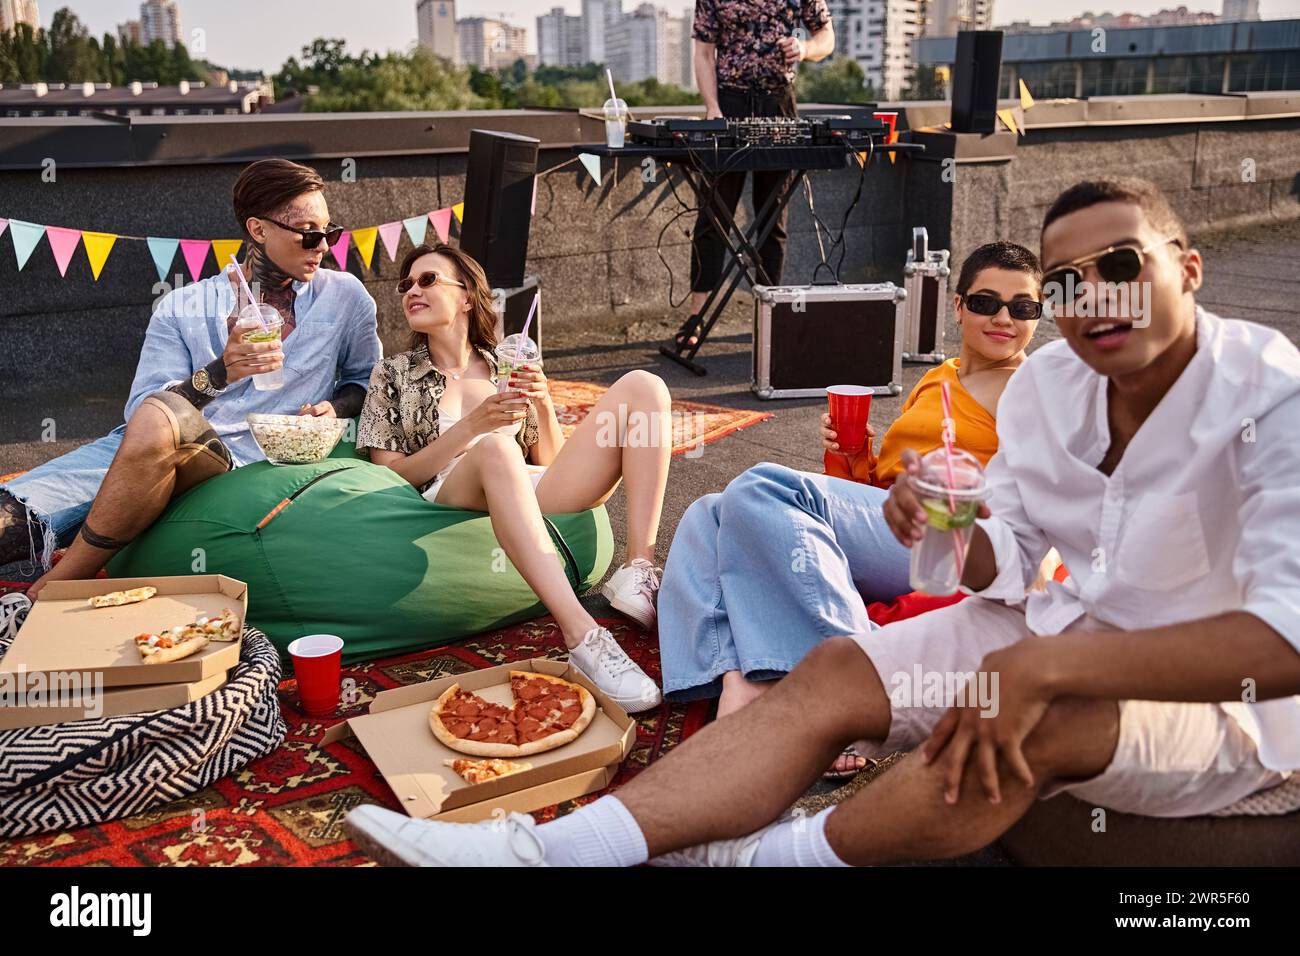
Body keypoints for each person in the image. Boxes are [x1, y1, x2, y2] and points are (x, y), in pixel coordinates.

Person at [342, 177, 1300, 867]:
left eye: (1120, 267)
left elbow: (1285, 639)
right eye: (1064, 284)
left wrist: (1052, 662)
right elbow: (1006, 560)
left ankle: (765, 857)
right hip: (1056, 626)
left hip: (1225, 706)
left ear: (1189, 268)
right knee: (831, 662)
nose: (1089, 299)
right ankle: (537, 854)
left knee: (1032, 705)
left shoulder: (1270, 393)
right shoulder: (1055, 384)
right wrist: (941, 524)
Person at [657, 242, 1042, 778]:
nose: (1004, 318)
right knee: (708, 512)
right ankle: (737, 681)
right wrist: (855, 450)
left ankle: (851, 695)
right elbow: (877, 490)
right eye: (987, 302)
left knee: (762, 487)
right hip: (896, 523)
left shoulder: (1030, 390)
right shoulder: (940, 377)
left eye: (1023, 308)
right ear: (958, 306)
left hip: (952, 538)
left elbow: (1051, 497)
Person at [3, 159, 381, 600]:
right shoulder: (183, 304)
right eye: (310, 233)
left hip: (249, 457)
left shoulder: (345, 296)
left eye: (329, 233)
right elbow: (146, 409)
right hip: (163, 443)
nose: (324, 246)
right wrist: (222, 371)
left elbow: (362, 380)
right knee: (11, 514)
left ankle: (54, 587)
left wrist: (333, 408)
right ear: (258, 230)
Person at [357, 243, 673, 713]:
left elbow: (550, 460)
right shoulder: (393, 374)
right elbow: (390, 475)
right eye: (405, 284)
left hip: (521, 482)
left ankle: (638, 568)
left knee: (644, 387)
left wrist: (544, 404)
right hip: (448, 488)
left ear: (467, 297)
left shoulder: (505, 363)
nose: (411, 291)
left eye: (427, 280)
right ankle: (583, 635)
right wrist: (472, 428)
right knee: (497, 447)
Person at [676, 0, 836, 348]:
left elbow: (826, 36)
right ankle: (696, 315)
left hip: (778, 104)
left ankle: (770, 312)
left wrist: (805, 48)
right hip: (728, 103)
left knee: (773, 217)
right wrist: (713, 109)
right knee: (713, 213)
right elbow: (703, 54)